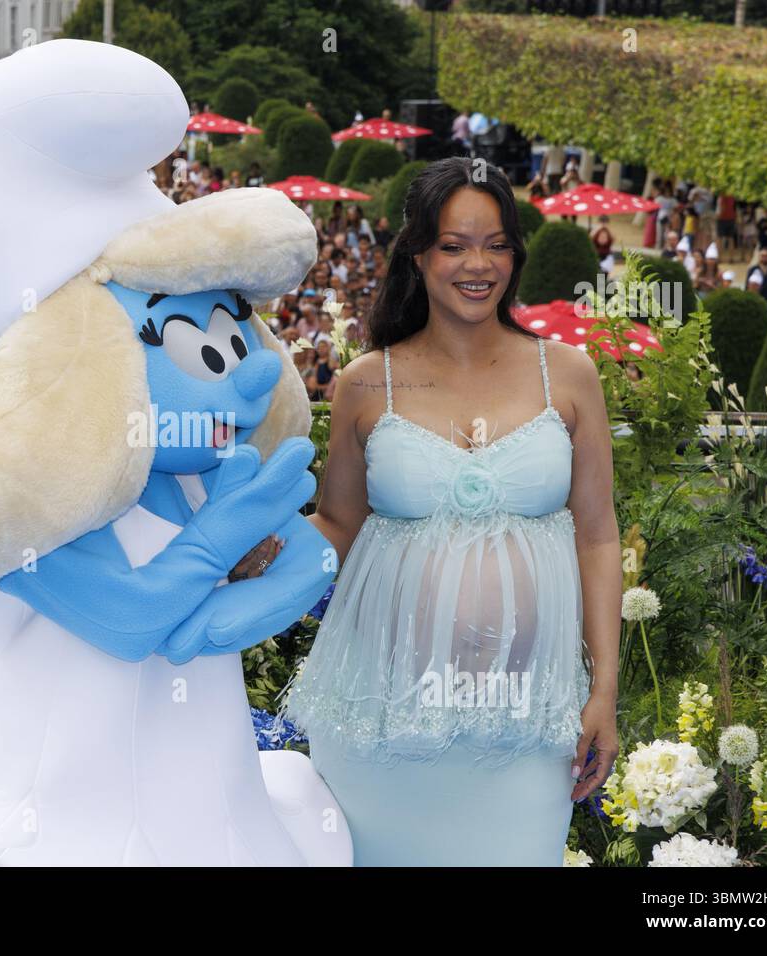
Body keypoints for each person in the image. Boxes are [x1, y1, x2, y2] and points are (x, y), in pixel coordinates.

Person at [283, 157, 619, 865]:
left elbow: (597, 537)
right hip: (381, 725)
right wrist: (250, 553)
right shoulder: (365, 384)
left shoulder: (570, 374)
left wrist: (605, 691)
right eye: (455, 244)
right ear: (418, 254)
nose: (479, 264)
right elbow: (337, 526)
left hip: (531, 723)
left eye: (497, 244)